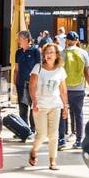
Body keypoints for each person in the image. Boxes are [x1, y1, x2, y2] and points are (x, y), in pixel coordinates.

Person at [28, 42, 68, 170]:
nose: (49, 55)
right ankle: (34, 151)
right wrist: (34, 102)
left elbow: (63, 90)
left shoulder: (60, 70)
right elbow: (32, 86)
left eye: (52, 52)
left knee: (54, 134)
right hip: (40, 105)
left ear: (56, 55)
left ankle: (52, 160)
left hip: (55, 105)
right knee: (42, 134)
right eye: (47, 53)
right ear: (43, 55)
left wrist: (65, 107)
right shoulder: (38, 68)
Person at [56, 31, 89, 150]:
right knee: (79, 115)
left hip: (64, 89)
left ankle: (62, 140)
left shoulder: (62, 54)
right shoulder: (83, 53)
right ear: (77, 41)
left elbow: (57, 72)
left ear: (67, 40)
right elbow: (87, 73)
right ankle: (78, 141)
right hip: (78, 89)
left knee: (63, 114)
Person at [14, 30, 41, 125]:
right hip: (20, 83)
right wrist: (15, 82)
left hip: (32, 84)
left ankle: (33, 129)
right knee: (22, 107)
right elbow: (16, 69)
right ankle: (24, 129)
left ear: (26, 39)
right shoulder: (18, 52)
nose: (18, 41)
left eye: (19, 39)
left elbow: (39, 67)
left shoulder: (35, 51)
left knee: (33, 105)